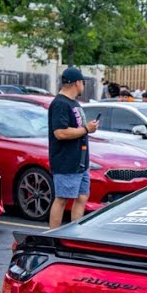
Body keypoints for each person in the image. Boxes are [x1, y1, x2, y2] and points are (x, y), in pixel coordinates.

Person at [47, 67, 99, 229]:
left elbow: (77, 129)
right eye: (83, 82)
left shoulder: (74, 103)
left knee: (82, 197)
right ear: (77, 82)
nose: (83, 85)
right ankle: (53, 236)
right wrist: (86, 129)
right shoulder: (60, 104)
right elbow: (60, 133)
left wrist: (88, 127)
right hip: (66, 160)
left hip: (81, 161)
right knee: (62, 199)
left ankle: (74, 233)